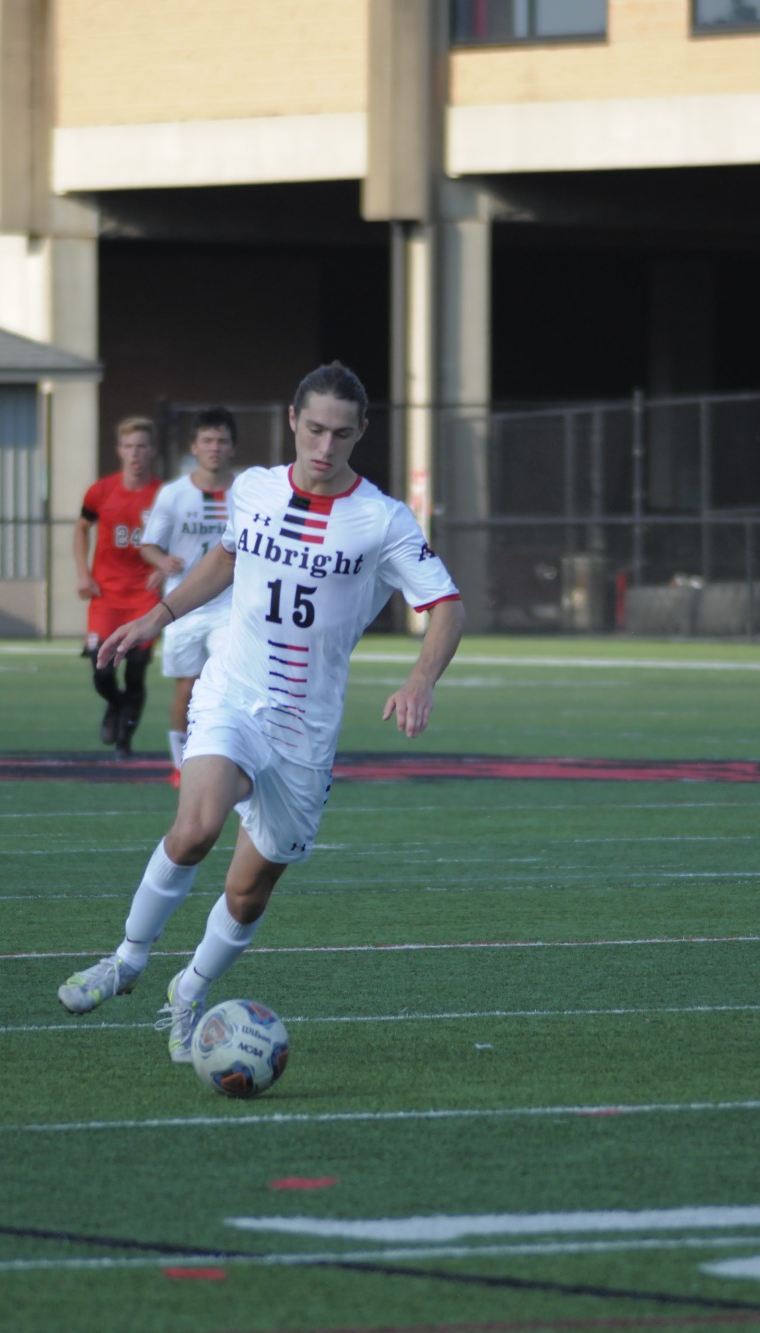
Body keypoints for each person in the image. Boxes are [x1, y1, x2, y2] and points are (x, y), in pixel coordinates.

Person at [56, 362, 464, 1063]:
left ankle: (190, 989)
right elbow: (223, 559)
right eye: (314, 429)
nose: (325, 446)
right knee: (195, 827)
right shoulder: (255, 489)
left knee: (248, 892)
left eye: (341, 433)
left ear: (361, 431)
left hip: (305, 728)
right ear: (291, 421)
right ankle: (125, 960)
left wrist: (422, 677)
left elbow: (446, 605)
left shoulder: (383, 519)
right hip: (235, 692)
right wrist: (157, 615)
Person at [140, 407, 238, 786]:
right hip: (182, 607)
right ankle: (181, 766)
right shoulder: (173, 493)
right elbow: (149, 544)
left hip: (230, 607)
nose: (215, 448)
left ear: (233, 447)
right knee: (186, 687)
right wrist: (162, 560)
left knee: (229, 684)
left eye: (223, 441)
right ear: (195, 446)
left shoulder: (246, 491)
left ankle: (228, 758)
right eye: (208, 441)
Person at [76, 417, 163, 760]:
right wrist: (83, 573)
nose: (135, 454)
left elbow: (176, 536)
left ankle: (125, 743)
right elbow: (80, 528)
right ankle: (116, 703)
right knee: (102, 670)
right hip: (106, 596)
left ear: (151, 451)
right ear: (119, 451)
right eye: (129, 447)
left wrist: (162, 565)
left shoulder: (163, 494)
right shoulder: (101, 491)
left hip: (144, 596)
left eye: (142, 446)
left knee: (137, 668)